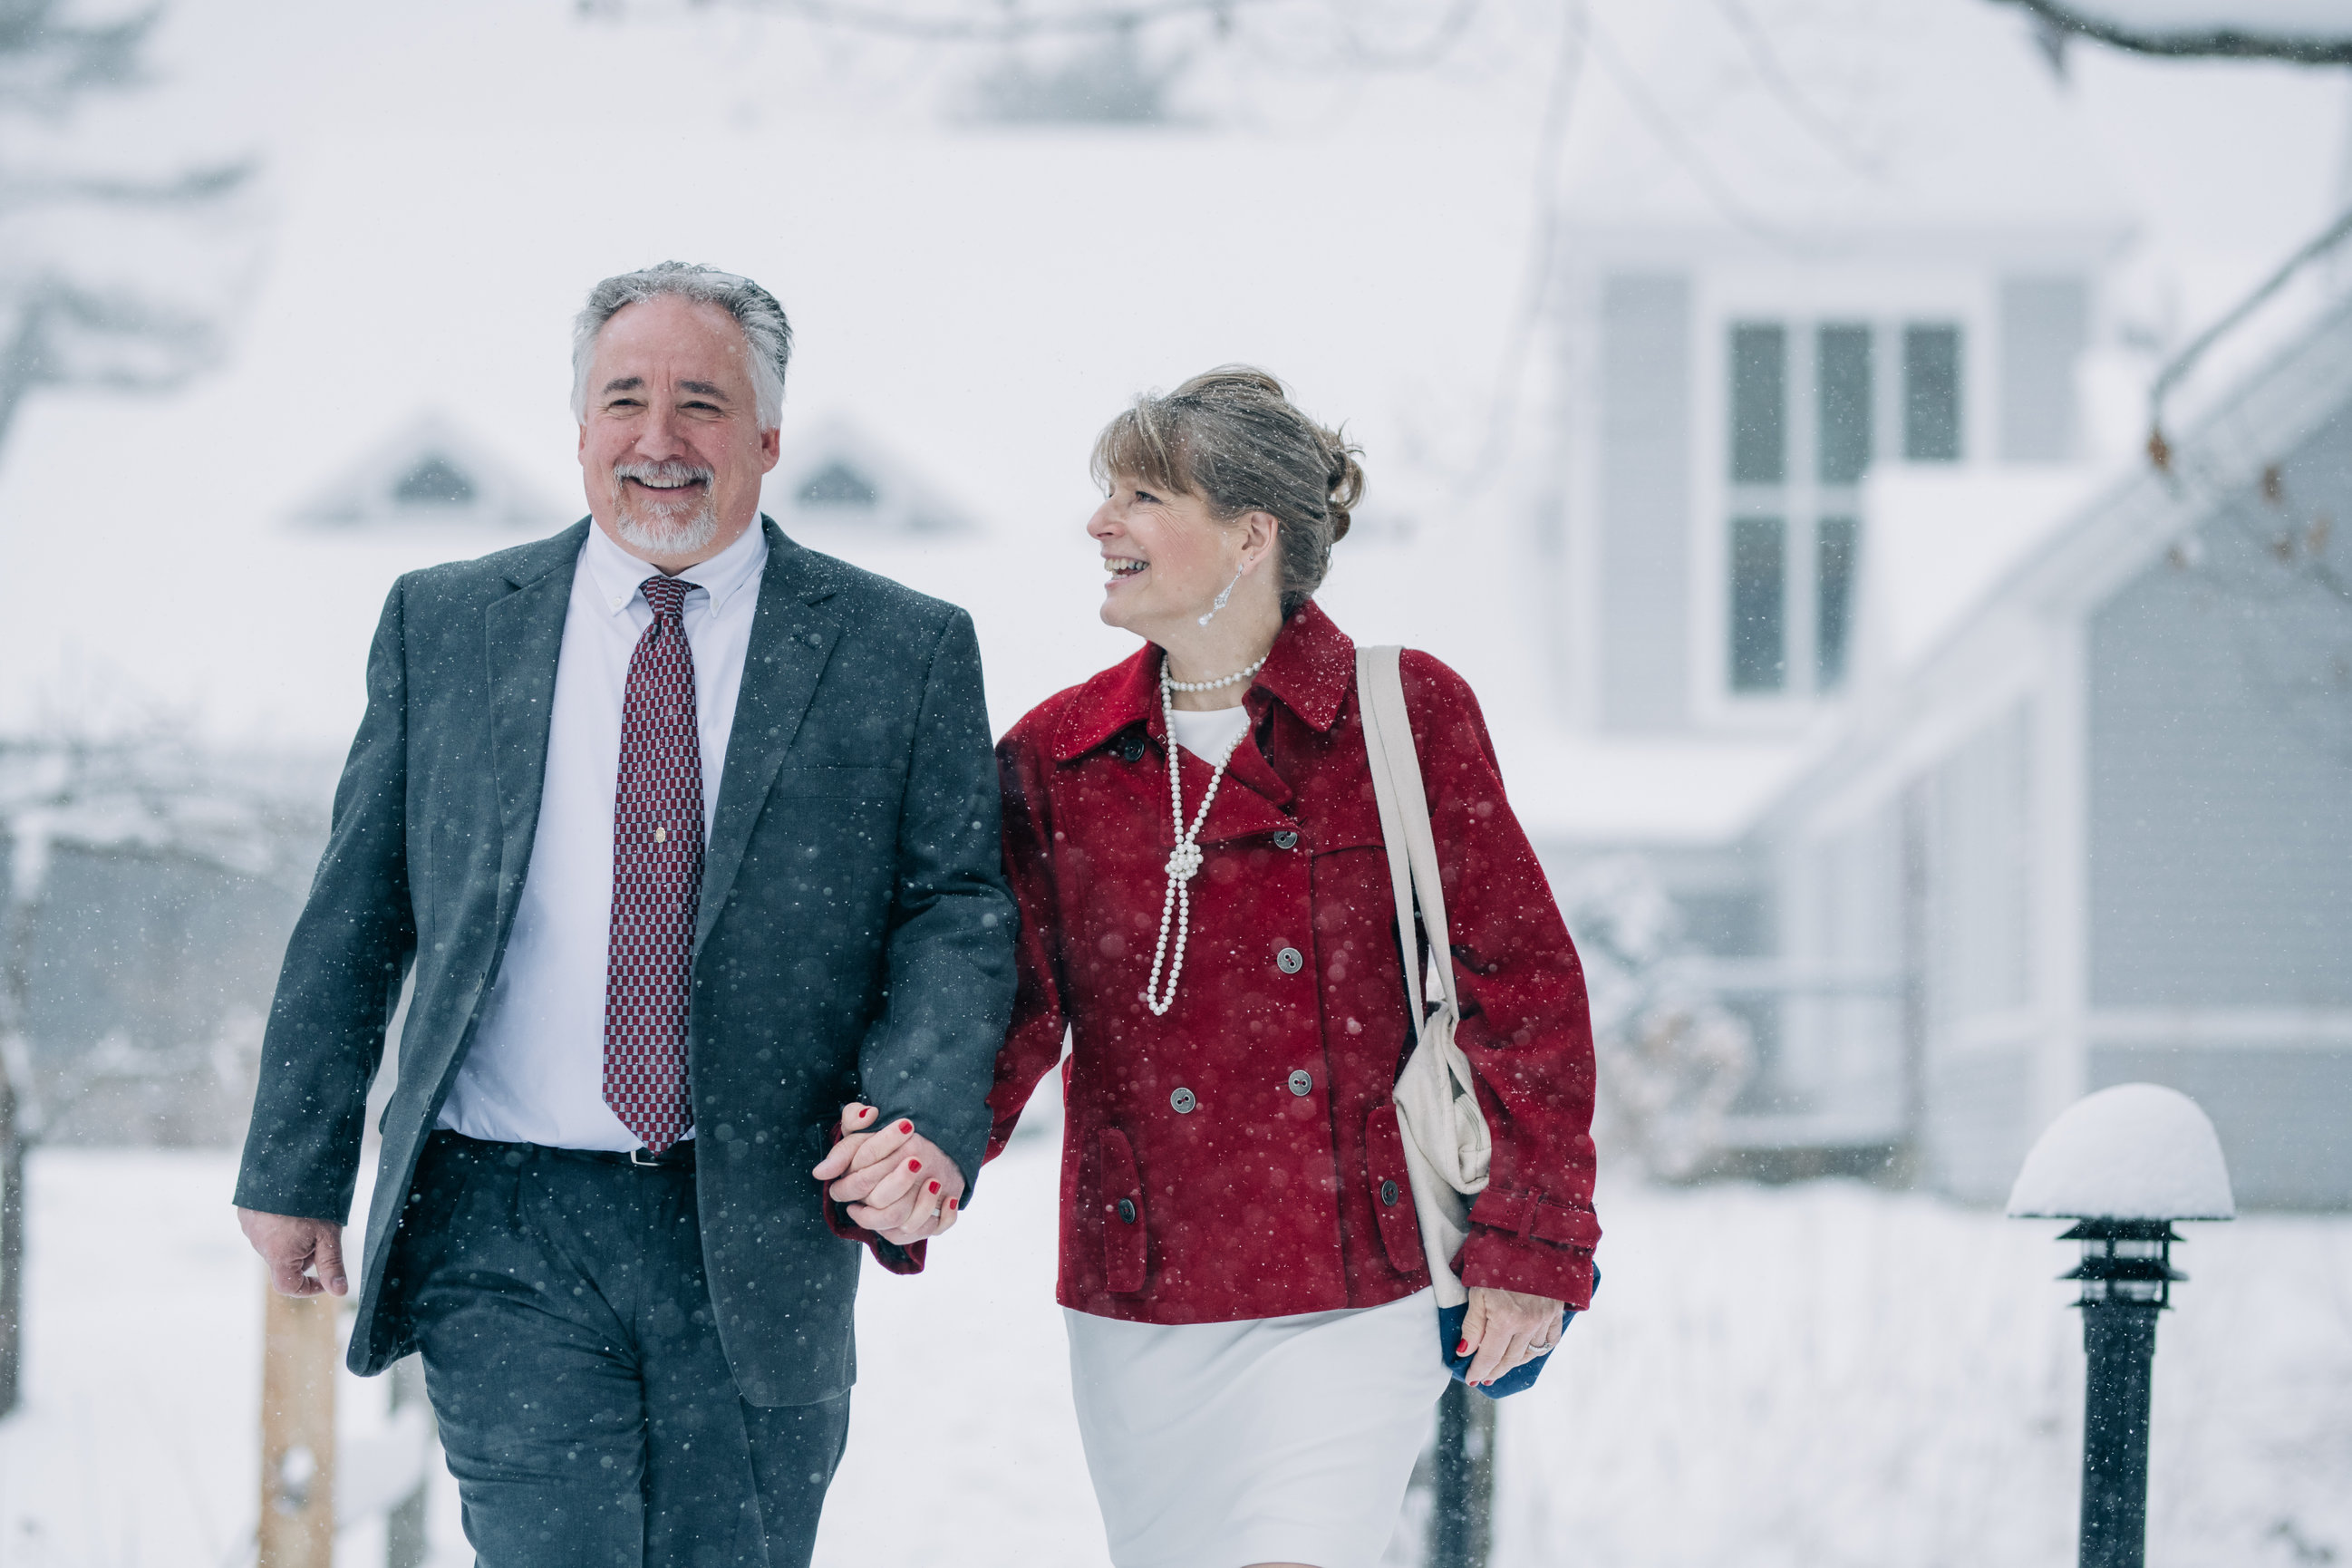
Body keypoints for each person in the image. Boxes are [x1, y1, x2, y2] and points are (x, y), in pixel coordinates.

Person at [232, 262, 1015, 1567]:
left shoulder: (899, 647)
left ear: (769, 436)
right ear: (579, 426)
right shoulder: (448, 624)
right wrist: (295, 1161)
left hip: (757, 1218)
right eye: (624, 400)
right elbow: (360, 902)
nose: (659, 439)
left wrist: (920, 1112)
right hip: (503, 1219)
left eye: (702, 402)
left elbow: (954, 912)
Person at [987, 367, 1602, 1568]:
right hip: (1142, 1285)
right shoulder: (1058, 753)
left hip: (1353, 1278)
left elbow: (1524, 985)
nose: (1101, 523)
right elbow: (1002, 1009)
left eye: (1143, 495)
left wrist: (1533, 1243)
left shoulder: (1402, 713)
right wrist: (916, 1144)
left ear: (1250, 534)